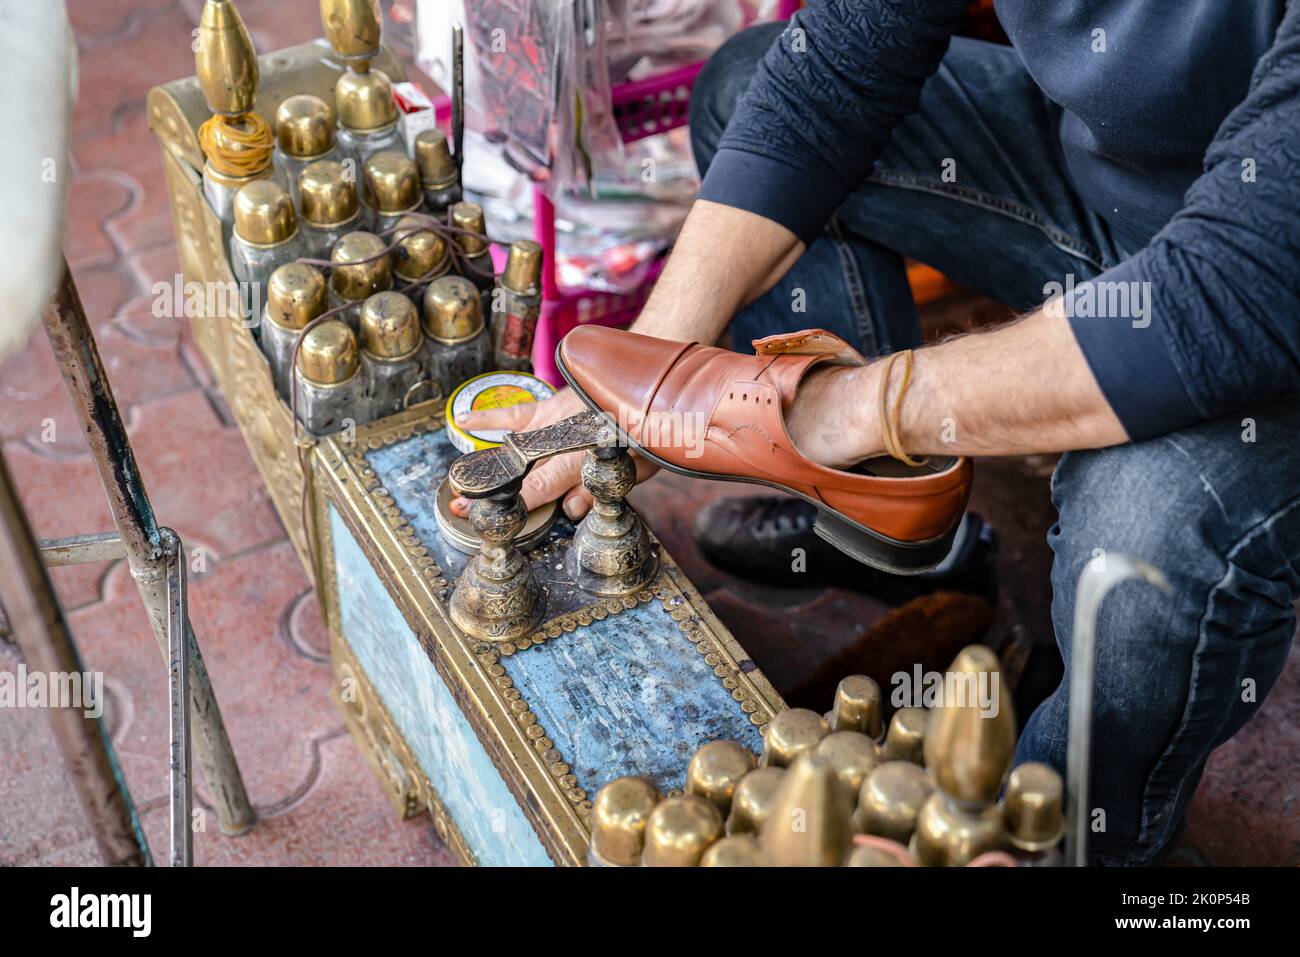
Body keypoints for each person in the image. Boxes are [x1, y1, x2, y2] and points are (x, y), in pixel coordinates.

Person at [459, 2, 1300, 865]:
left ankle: (1082, 834)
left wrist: (843, 410)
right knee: (748, 85)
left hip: (1270, 306)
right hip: (1125, 207)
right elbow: (832, 69)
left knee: (1145, 536)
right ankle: (904, 535)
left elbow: (1243, 285)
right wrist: (655, 367)